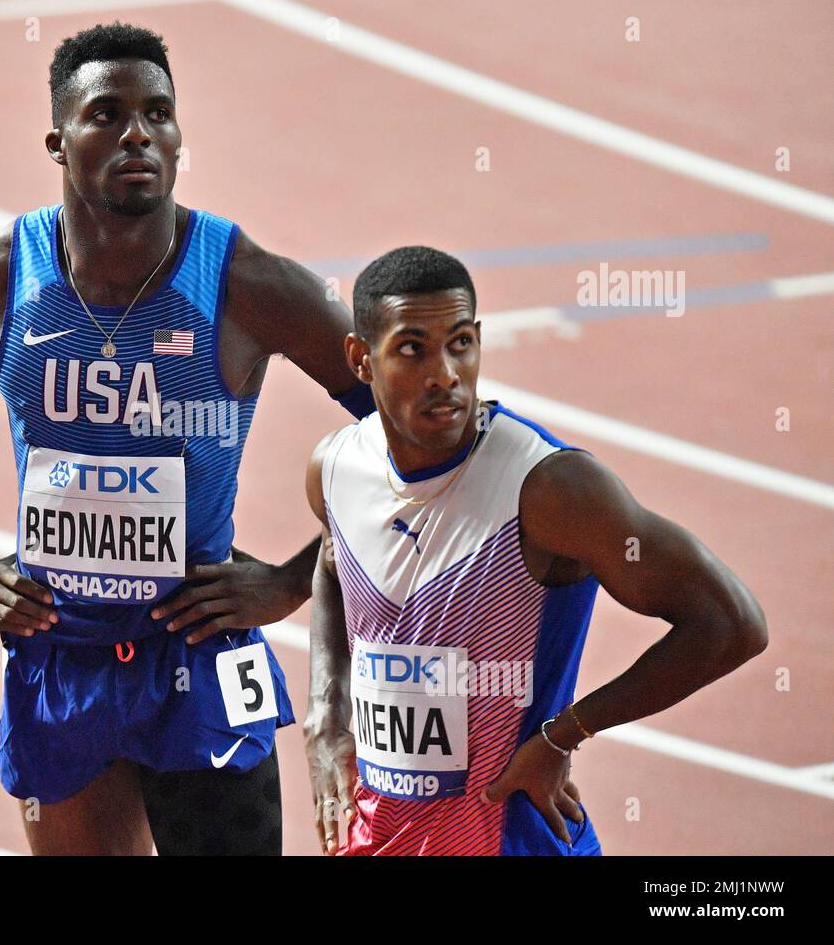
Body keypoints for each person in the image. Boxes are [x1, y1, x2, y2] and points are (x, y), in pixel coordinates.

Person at [0, 22, 374, 855]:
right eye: (107, 113)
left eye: (158, 113)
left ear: (179, 136)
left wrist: (290, 582)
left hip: (197, 655)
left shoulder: (244, 284)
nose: (138, 132)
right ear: (58, 141)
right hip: (62, 655)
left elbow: (406, 434)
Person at [303, 245, 767, 855]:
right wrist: (325, 708)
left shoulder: (550, 488)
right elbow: (334, 567)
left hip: (510, 839)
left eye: (461, 342)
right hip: (379, 838)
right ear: (361, 359)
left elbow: (732, 624)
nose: (444, 373)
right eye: (412, 349)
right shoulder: (336, 467)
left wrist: (561, 736)